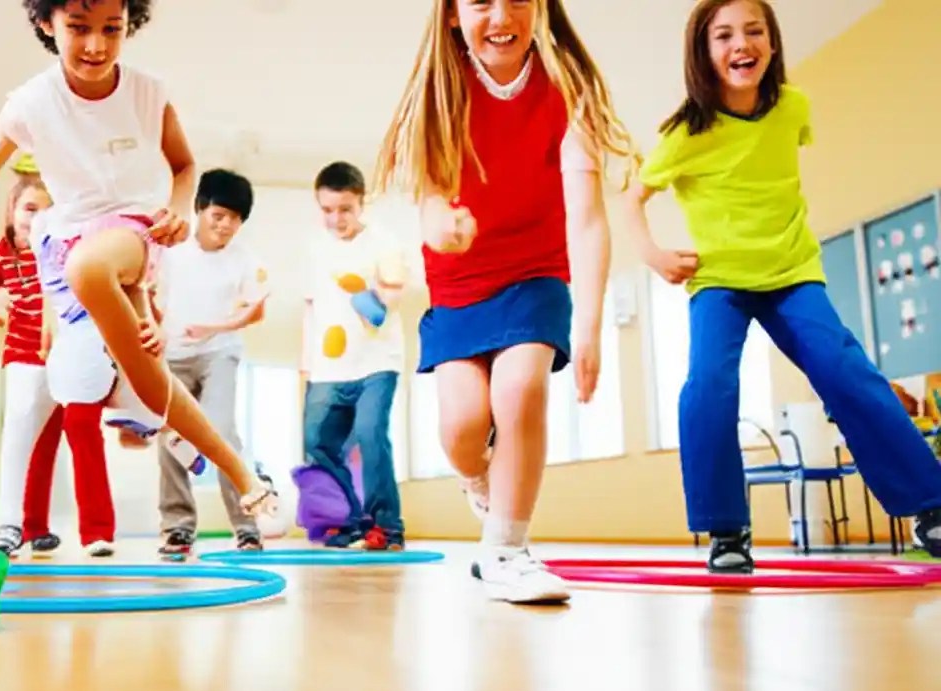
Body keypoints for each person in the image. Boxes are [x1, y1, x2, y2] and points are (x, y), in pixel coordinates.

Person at [0, 0, 277, 521]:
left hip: (134, 233)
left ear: (130, 21)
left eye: (113, 28)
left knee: (92, 272)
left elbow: (184, 165)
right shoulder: (32, 103)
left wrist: (179, 210)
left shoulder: (148, 92)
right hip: (70, 248)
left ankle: (151, 374)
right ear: (46, 23)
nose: (97, 45)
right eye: (78, 28)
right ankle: (239, 471)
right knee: (136, 384)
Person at [620, 0, 941, 571]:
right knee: (708, 387)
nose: (740, 44)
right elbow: (631, 200)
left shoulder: (794, 107)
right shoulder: (685, 131)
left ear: (771, 44)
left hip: (792, 271)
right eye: (723, 35)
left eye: (754, 31)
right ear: (704, 51)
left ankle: (930, 505)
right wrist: (654, 255)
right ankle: (726, 531)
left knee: (846, 368)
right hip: (720, 279)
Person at [374, 0, 636, 602]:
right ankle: (479, 477)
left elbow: (590, 219)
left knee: (519, 390)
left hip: (536, 274)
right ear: (450, 14)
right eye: (480, 2)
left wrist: (592, 321)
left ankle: (507, 552)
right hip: (459, 288)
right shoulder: (441, 90)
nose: (501, 15)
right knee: (462, 428)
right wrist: (443, 227)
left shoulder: (568, 87)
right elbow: (432, 201)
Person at [152, 168, 269, 557]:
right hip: (173, 356)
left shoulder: (244, 259)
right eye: (218, 215)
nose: (225, 225)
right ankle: (178, 526)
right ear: (200, 209)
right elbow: (148, 296)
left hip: (220, 351)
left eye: (234, 219)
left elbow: (255, 312)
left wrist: (213, 327)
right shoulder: (172, 250)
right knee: (172, 439)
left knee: (220, 432)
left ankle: (247, 525)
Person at [300, 162, 408, 551]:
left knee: (370, 434)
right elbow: (310, 307)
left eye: (345, 209)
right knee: (317, 441)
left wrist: (375, 301)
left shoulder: (384, 242)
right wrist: (306, 365)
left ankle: (386, 528)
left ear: (361, 203)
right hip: (328, 368)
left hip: (377, 362)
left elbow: (394, 292)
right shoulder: (315, 248)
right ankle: (348, 522)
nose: (336, 218)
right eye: (327, 210)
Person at [0, 163, 64, 556]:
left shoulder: (59, 253)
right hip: (23, 355)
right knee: (18, 428)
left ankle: (36, 525)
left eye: (47, 211)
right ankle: (8, 525)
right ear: (12, 209)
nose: (37, 218)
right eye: (30, 208)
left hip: (63, 358)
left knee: (47, 446)